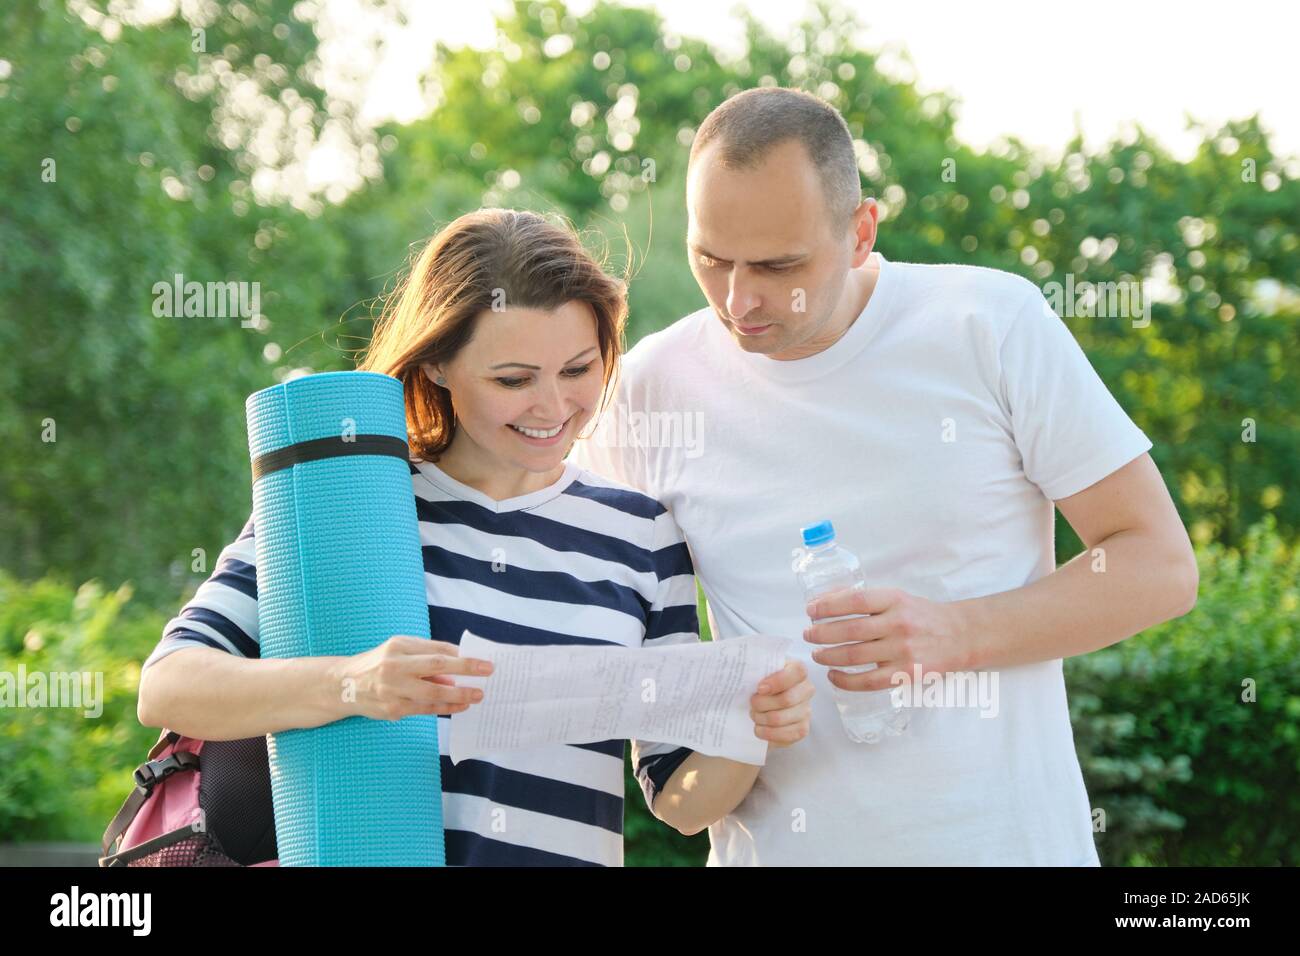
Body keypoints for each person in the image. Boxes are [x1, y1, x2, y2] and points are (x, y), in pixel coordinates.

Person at [567, 87, 1199, 865]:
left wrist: (953, 633)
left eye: (777, 264)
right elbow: (571, 595)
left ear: (861, 231)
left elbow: (1159, 565)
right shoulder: (651, 388)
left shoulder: (990, 324)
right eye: (711, 258)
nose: (740, 300)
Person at [136, 208, 815, 866]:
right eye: (513, 380)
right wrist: (354, 683)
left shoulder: (643, 535)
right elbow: (167, 687)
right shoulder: (343, 507)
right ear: (436, 366)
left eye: (579, 369)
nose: (553, 408)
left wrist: (747, 730)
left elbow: (678, 803)